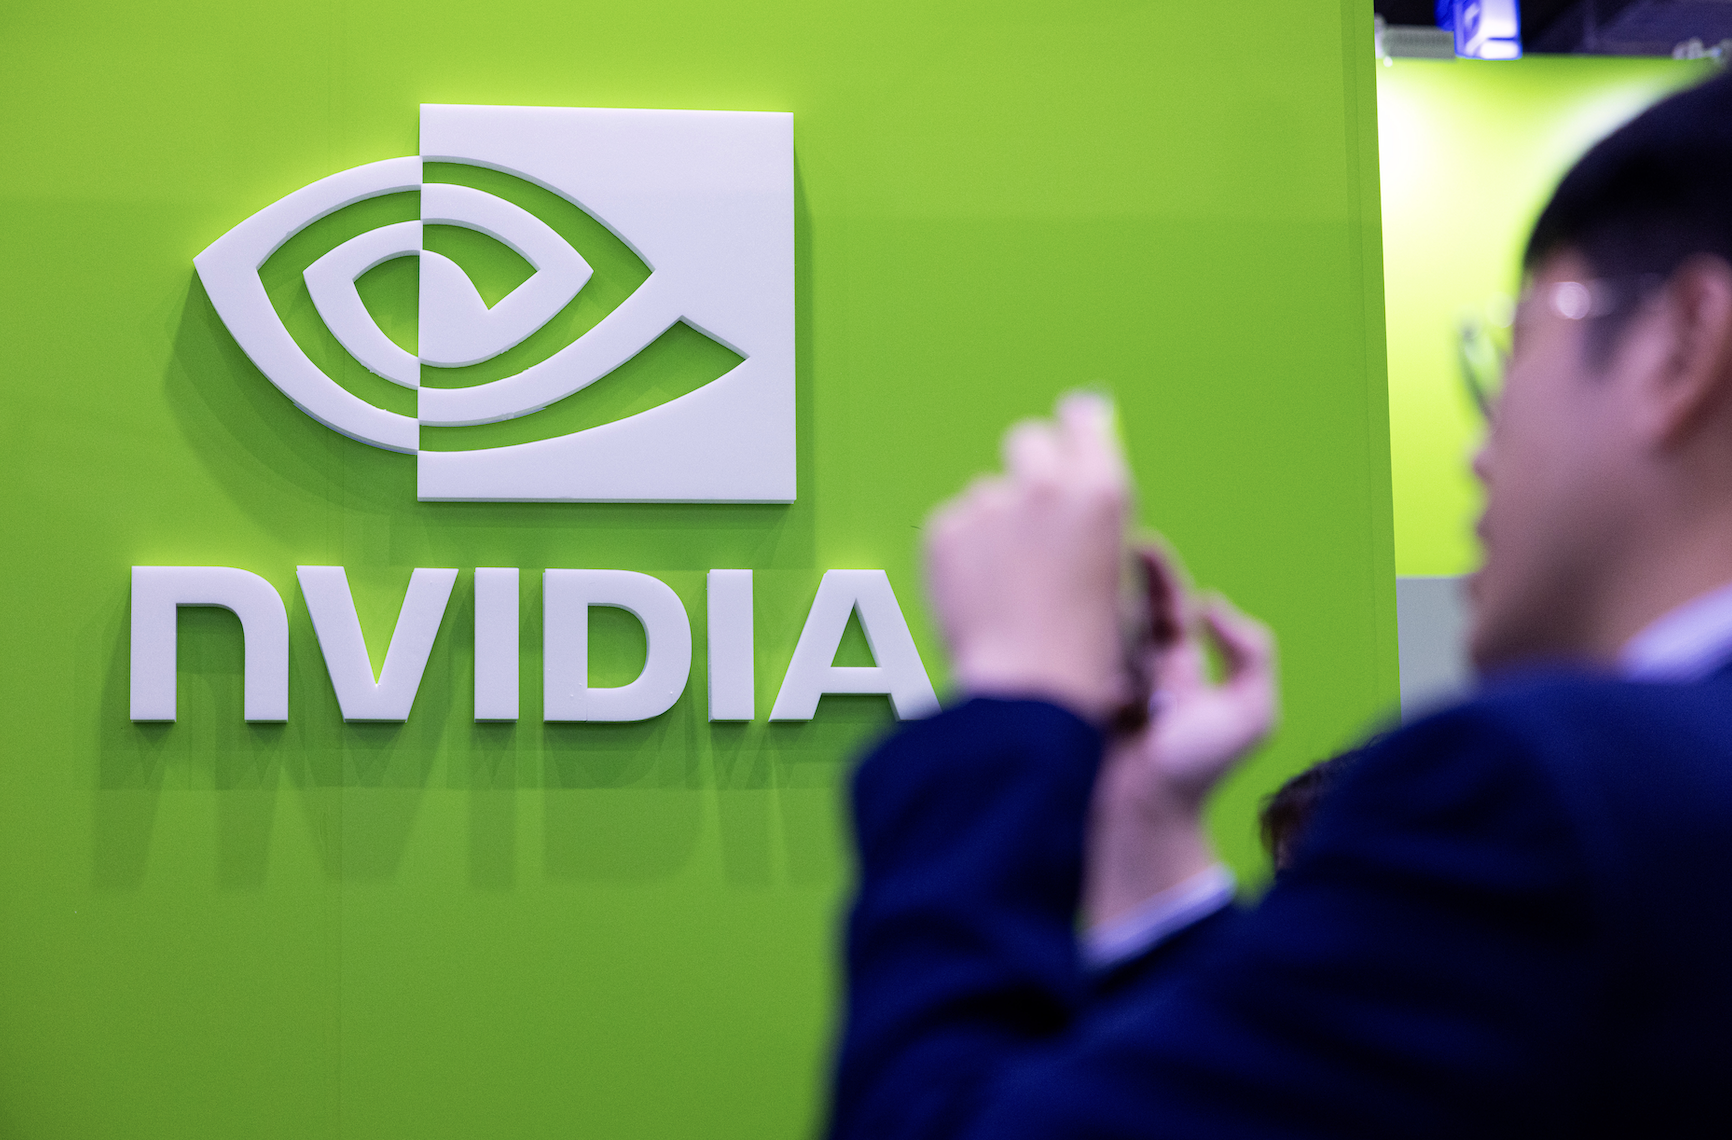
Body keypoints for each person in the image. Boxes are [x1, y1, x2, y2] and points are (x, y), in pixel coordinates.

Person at [828, 73, 1732, 1139]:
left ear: (1681, 344)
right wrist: (1148, 834)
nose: (1478, 451)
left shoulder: (1549, 796)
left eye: (1510, 348)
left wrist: (1014, 700)